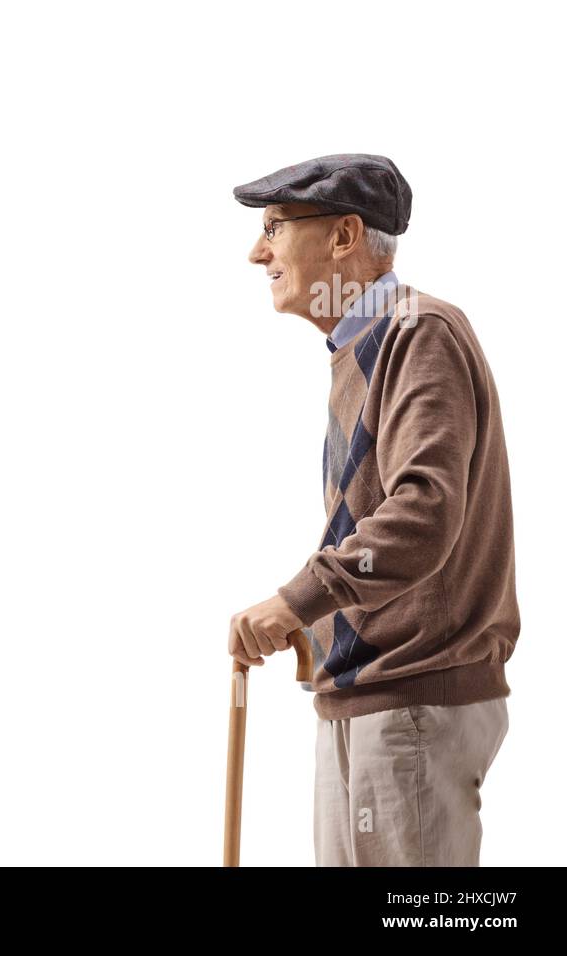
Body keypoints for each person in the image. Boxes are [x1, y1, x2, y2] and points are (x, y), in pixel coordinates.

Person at [225, 154, 518, 866]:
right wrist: (324, 627)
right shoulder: (362, 346)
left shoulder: (417, 334)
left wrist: (298, 601)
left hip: (412, 702)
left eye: (275, 228)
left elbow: (422, 516)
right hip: (374, 698)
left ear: (344, 236)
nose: (256, 251)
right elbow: (378, 527)